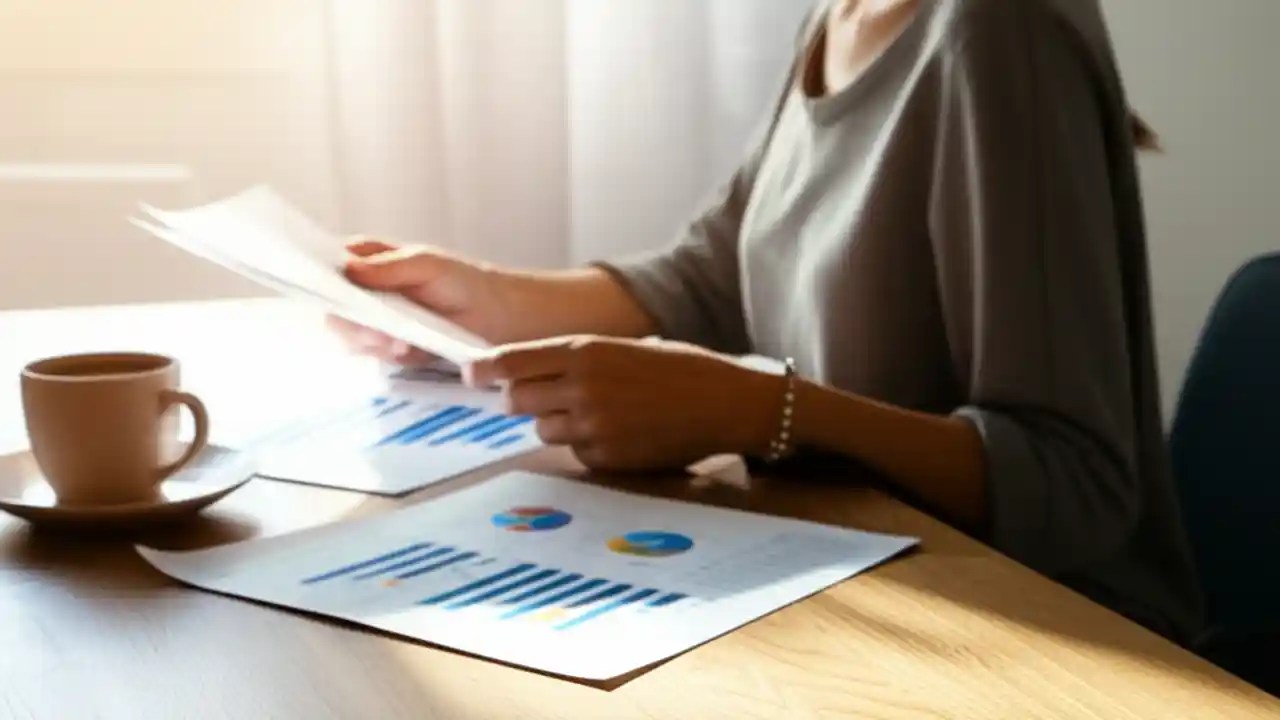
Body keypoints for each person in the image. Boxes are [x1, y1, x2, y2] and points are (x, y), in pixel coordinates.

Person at [331, 0, 1203, 643]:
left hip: (1053, 633)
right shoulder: (841, 14)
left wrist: (762, 411)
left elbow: (1073, 482)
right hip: (879, 578)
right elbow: (718, 275)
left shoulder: (1000, 30)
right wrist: (485, 299)